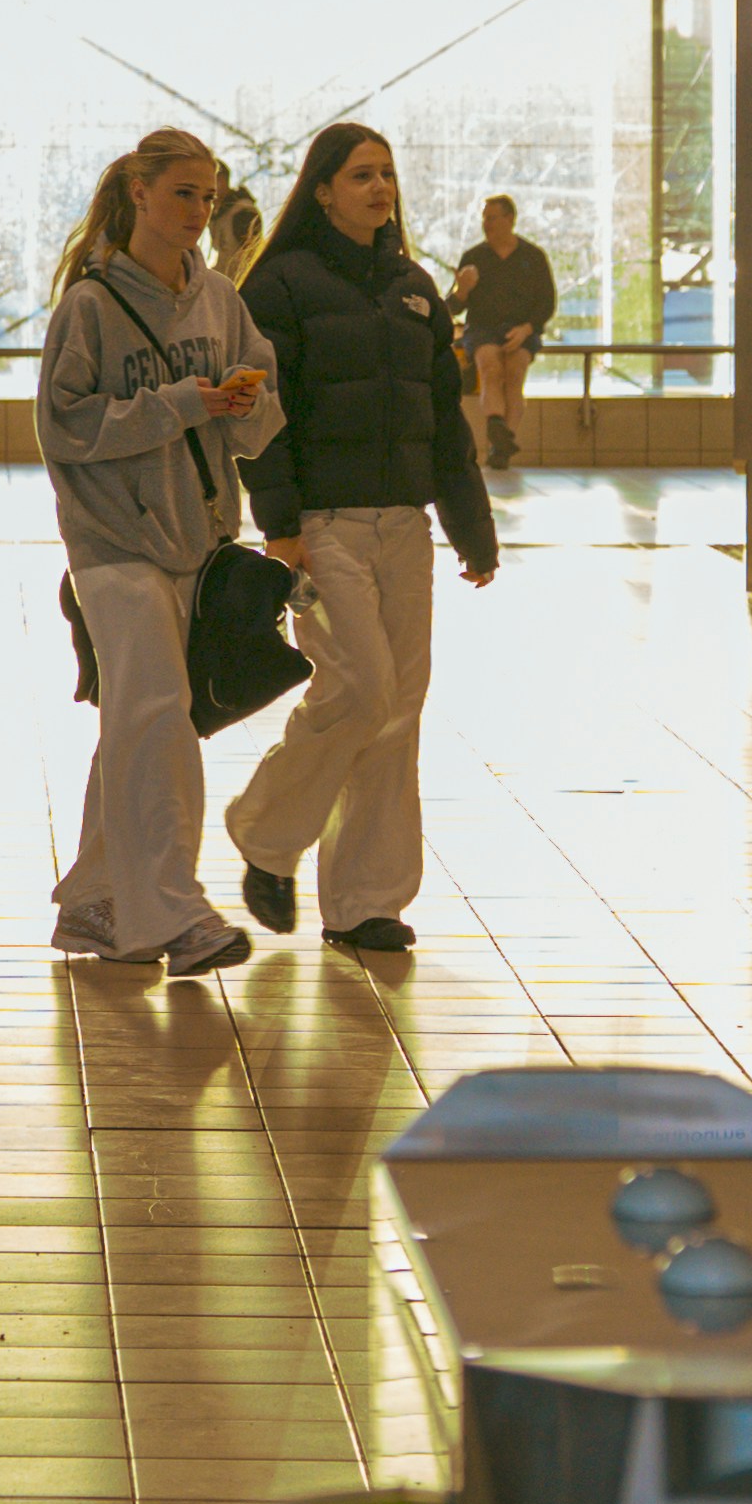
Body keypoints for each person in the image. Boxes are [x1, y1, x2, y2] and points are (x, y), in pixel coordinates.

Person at [228, 125, 499, 952]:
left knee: (399, 706)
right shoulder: (279, 285)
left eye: (386, 174)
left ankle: (363, 901)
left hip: (402, 524)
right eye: (359, 175)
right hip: (324, 524)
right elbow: (262, 416)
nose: (379, 187)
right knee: (361, 688)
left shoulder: (412, 286)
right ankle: (266, 835)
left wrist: (471, 526)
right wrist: (278, 525)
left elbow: (443, 423)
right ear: (321, 190)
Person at [41, 127, 278, 974]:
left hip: (197, 536)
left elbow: (257, 406)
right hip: (111, 540)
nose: (198, 211)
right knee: (157, 717)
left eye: (208, 196)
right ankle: (177, 913)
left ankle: (97, 902)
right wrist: (177, 402)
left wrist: (243, 401)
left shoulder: (219, 297)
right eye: (183, 193)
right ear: (137, 194)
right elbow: (64, 427)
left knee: (137, 719)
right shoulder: (91, 305)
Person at [449, 194, 558, 470]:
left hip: (521, 329)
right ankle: (497, 427)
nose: (486, 224)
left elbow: (547, 302)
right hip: (483, 328)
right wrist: (462, 289)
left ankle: (501, 446)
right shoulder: (473, 258)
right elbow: (452, 307)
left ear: (509, 219)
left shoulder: (532, 257)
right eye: (484, 218)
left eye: (492, 217)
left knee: (514, 373)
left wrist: (526, 329)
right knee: (490, 367)